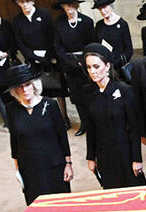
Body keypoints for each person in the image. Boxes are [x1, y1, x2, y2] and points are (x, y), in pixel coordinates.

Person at [5, 64, 72, 205]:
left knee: (62, 205)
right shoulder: (11, 109)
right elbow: (14, 140)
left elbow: (62, 136)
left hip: (54, 166)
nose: (24, 90)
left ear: (34, 85)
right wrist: (17, 169)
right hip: (29, 168)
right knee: (37, 207)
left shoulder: (50, 105)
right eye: (20, 86)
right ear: (15, 90)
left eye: (27, 85)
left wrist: (68, 164)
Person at [84, 43, 146, 189]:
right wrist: (90, 157)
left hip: (125, 151)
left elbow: (134, 129)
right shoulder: (88, 92)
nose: (92, 71)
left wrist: (137, 159)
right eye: (89, 67)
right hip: (104, 153)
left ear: (107, 66)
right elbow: (90, 127)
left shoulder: (125, 91)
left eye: (96, 66)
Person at [13, 0, 69, 122]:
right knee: (38, 90)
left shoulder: (44, 13)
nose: (25, 5)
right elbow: (20, 42)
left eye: (27, 1)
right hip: (32, 60)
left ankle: (64, 118)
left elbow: (52, 35)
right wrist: (32, 56)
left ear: (33, 1)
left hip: (49, 57)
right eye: (21, 2)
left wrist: (47, 55)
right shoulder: (17, 20)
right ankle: (46, 118)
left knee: (57, 88)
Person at [53, 0, 95, 136]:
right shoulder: (59, 23)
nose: (69, 7)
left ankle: (95, 123)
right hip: (69, 64)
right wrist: (70, 62)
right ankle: (84, 123)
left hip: (86, 63)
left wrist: (84, 60)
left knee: (91, 93)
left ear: (76, 5)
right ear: (62, 6)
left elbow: (92, 43)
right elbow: (58, 47)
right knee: (77, 96)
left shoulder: (87, 21)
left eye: (71, 4)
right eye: (66, 5)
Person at [93, 0, 132, 76]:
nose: (103, 11)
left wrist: (115, 62)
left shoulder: (122, 24)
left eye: (104, 7)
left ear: (111, 6)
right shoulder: (99, 25)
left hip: (119, 67)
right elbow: (96, 45)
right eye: (100, 9)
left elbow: (129, 50)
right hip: (104, 67)